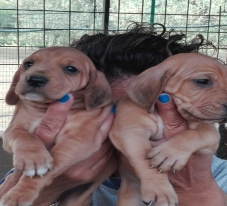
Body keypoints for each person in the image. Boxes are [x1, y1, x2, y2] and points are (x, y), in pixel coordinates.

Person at [1, 22, 227, 206]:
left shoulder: (220, 176)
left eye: (154, 112)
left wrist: (195, 189)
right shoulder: (39, 158)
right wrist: (46, 189)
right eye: (112, 112)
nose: (124, 128)